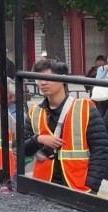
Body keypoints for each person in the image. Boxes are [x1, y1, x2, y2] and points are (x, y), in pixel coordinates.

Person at [25, 59, 108, 195]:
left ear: (62, 79)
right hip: (43, 184)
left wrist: (92, 187)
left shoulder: (85, 109)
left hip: (79, 185)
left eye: (48, 78)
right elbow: (21, 149)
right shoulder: (35, 112)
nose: (43, 83)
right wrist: (38, 139)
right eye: (39, 78)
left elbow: (101, 150)